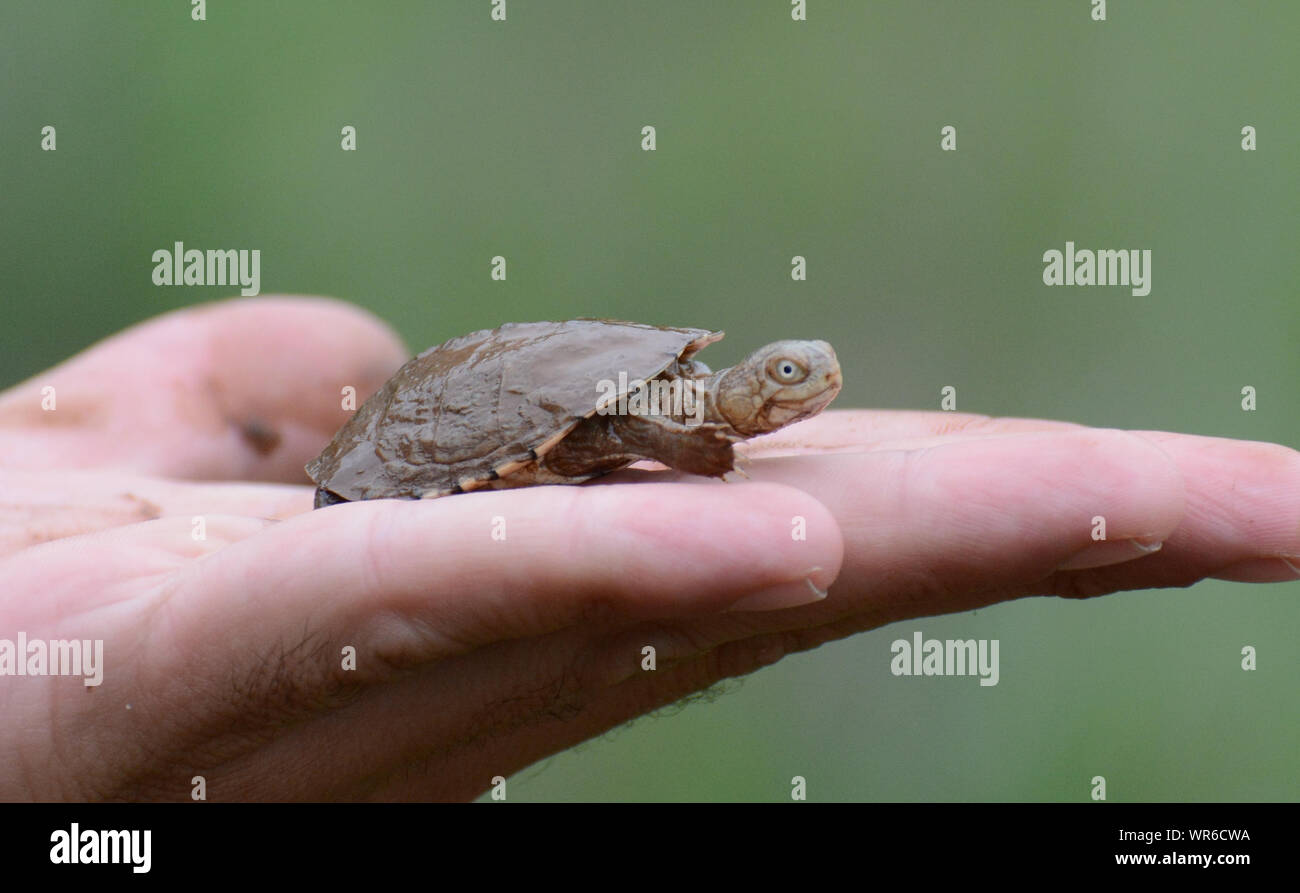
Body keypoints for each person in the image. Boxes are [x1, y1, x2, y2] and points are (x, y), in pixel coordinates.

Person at [1, 297, 1295, 801]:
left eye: (810, 376)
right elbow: (620, 423)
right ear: (745, 383)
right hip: (414, 458)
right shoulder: (669, 406)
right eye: (790, 375)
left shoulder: (692, 397)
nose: (809, 386)